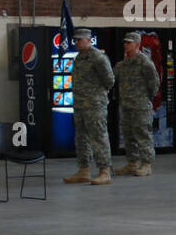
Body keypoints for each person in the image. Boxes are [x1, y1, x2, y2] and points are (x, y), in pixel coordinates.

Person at [63, 28, 115, 186]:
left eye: (79, 40)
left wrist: (97, 95)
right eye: (75, 40)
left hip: (94, 105)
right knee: (81, 138)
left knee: (98, 137)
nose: (76, 42)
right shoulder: (79, 57)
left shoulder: (98, 57)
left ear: (88, 40)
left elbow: (109, 80)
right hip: (80, 105)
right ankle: (84, 170)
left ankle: (104, 171)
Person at [111, 33, 160, 178]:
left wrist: (145, 99)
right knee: (128, 135)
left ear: (137, 45)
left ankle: (146, 164)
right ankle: (132, 163)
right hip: (126, 106)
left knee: (143, 135)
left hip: (141, 106)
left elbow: (154, 84)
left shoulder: (145, 63)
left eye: (129, 43)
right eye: (125, 42)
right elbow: (112, 79)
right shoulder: (122, 65)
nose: (126, 45)